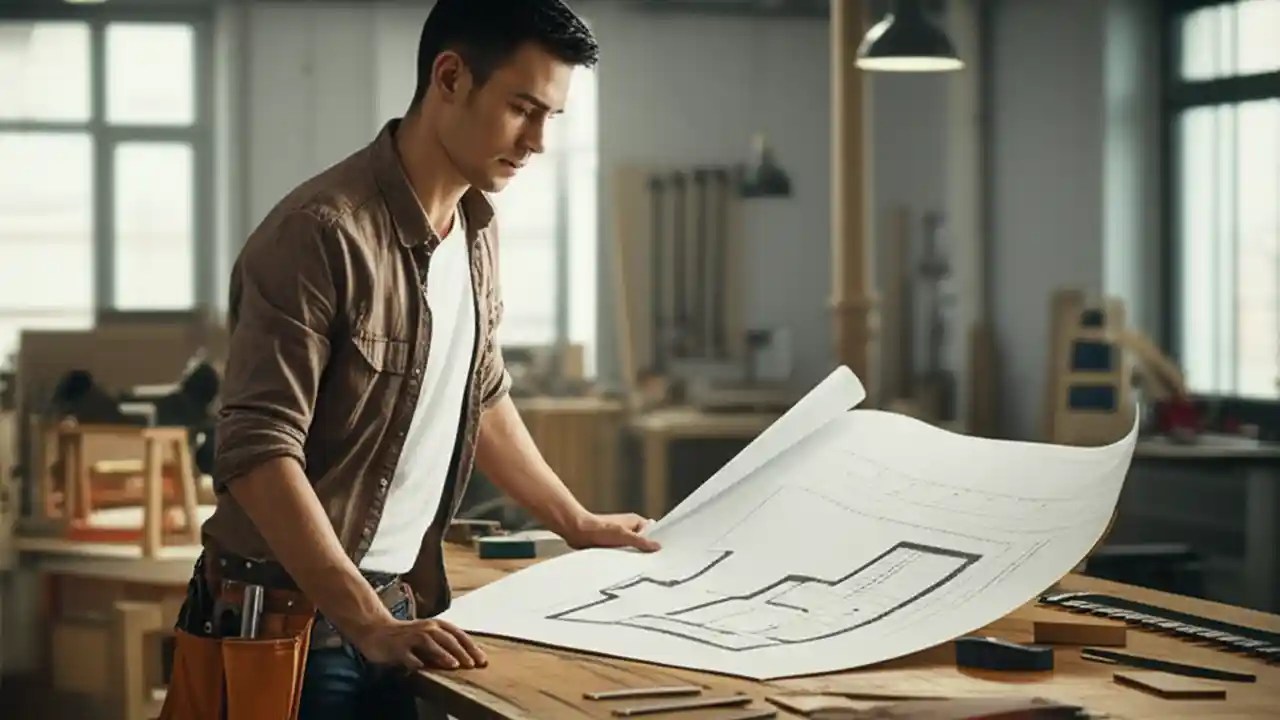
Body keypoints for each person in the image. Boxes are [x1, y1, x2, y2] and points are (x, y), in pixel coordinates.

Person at [159, 1, 659, 718]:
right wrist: (366, 622)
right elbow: (257, 451)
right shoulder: (319, 234)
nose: (538, 142)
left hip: (396, 611)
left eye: (552, 116)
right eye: (523, 108)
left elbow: (479, 394)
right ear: (449, 78)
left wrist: (575, 520)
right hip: (290, 625)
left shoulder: (475, 230)